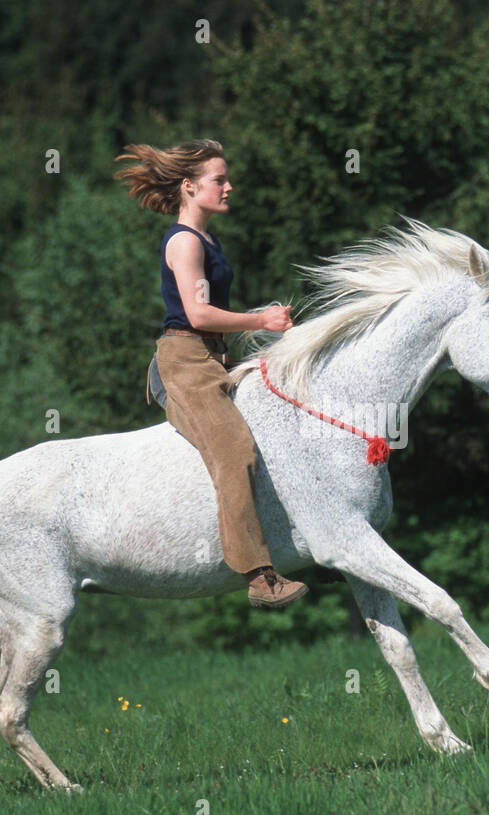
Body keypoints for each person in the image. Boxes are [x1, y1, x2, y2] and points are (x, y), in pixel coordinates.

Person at [114, 138, 307, 609]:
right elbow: (199, 316)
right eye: (219, 180)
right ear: (189, 186)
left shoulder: (206, 240)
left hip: (210, 358)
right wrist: (261, 321)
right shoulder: (184, 242)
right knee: (235, 450)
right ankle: (260, 577)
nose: (229, 187)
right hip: (185, 363)